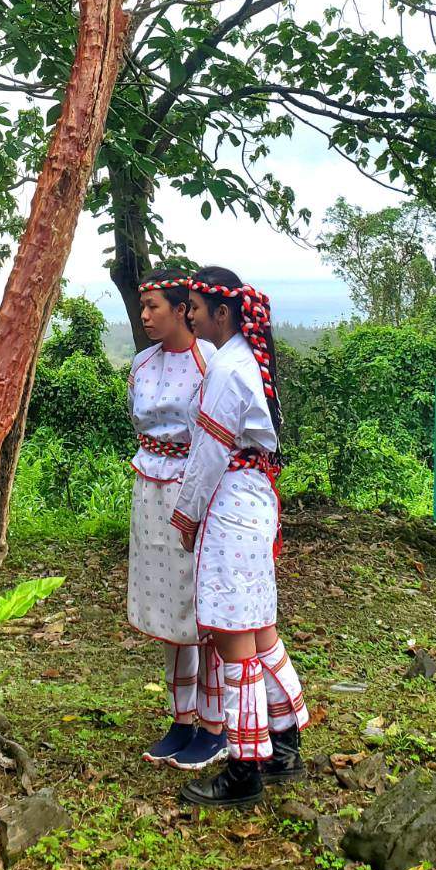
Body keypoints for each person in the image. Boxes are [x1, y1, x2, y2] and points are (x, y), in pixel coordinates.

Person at [170, 267, 308, 810]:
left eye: (196, 310)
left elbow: (208, 452)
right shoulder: (244, 361)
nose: (190, 316)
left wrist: (186, 516)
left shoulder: (227, 368)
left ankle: (245, 766)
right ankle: (285, 741)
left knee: (235, 640)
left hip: (230, 504)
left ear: (221, 313)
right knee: (259, 629)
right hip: (252, 501)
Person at [127, 269, 227, 770]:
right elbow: (137, 421)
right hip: (150, 491)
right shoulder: (142, 363)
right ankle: (180, 718)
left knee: (200, 607)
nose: (145, 316)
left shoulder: (209, 362)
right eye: (142, 307)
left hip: (196, 490)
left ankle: (215, 724)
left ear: (182, 309)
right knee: (169, 611)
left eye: (154, 307)